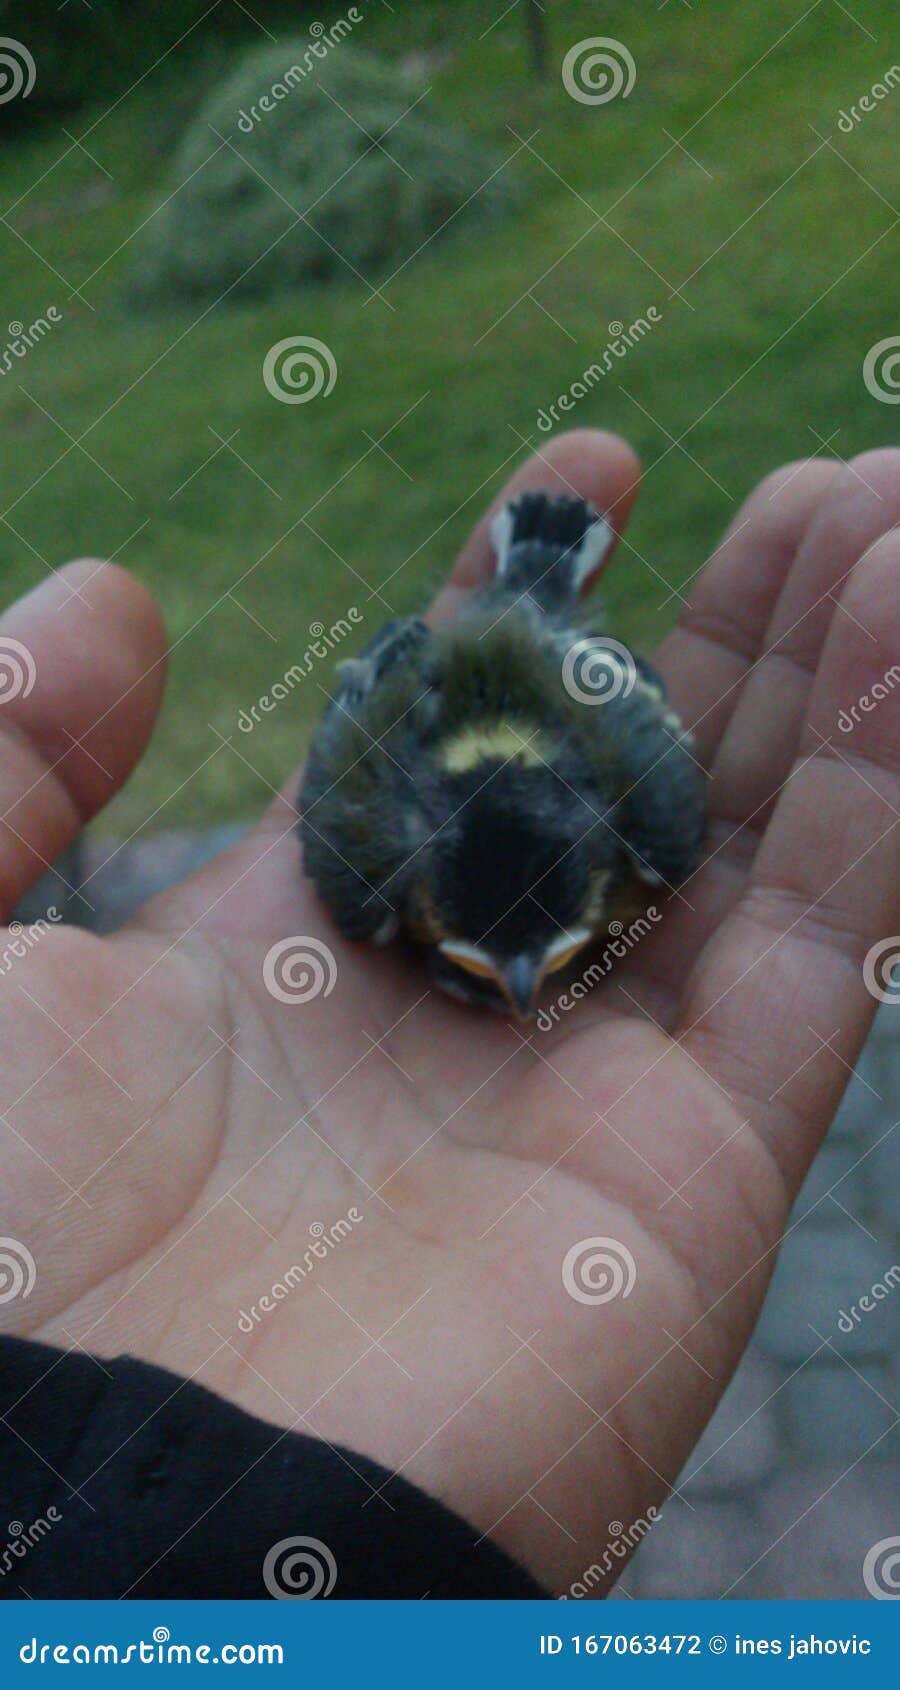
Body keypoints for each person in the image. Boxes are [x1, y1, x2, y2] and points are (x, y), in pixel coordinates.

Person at [0, 431, 897, 1599]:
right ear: (417, 891)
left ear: (603, 869)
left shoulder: (650, 820)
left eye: (547, 958)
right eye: (486, 959)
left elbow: (614, 695)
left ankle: (539, 573)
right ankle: (539, 572)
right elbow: (381, 682)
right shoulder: (366, 857)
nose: (519, 994)